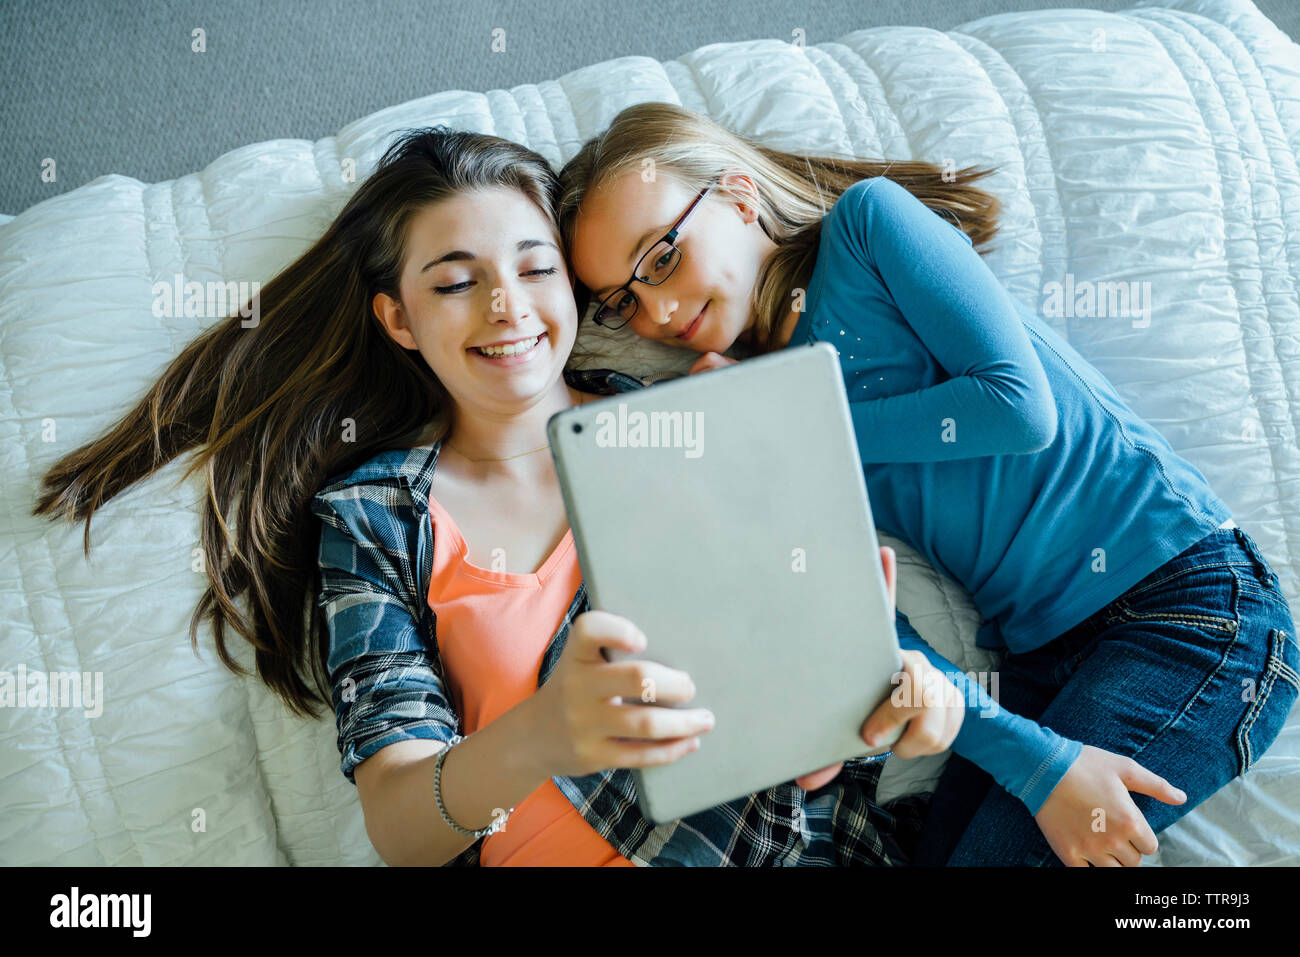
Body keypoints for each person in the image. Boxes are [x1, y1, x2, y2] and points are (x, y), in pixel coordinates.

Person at [33, 124, 963, 866]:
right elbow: (402, 827)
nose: (508, 307)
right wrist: (544, 735)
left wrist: (868, 687)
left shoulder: (697, 422)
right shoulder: (373, 516)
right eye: (456, 283)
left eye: (534, 267)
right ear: (398, 318)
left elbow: (807, 757)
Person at [556, 101, 1300, 866]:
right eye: (624, 302)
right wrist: (1039, 762)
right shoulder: (755, 417)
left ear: (740, 196)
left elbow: (1017, 407)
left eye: (662, 259)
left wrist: (791, 424)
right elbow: (872, 638)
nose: (658, 309)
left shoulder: (866, 227)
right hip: (1035, 660)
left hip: (1192, 606)